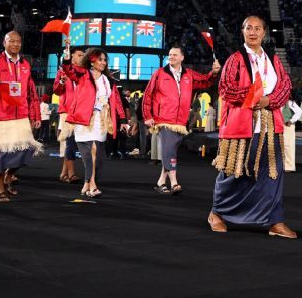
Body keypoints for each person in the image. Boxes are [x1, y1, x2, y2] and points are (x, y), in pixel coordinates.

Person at [208, 16, 296, 239]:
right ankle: (217, 213)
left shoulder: (273, 60)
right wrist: (252, 97)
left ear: (264, 33)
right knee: (233, 172)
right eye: (249, 28)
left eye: (257, 28)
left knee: (272, 175)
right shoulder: (235, 59)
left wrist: (270, 100)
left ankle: (274, 220)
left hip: (270, 125)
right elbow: (226, 88)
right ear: (243, 31)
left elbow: (286, 86)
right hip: (242, 124)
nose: (253, 32)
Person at [0, 31, 42, 203]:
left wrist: (36, 115)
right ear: (4, 42)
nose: (15, 44)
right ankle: (0, 189)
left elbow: (31, 92)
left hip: (21, 114)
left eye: (18, 41)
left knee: (26, 150)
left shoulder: (25, 64)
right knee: (0, 154)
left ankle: (9, 176)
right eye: (11, 41)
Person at [142, 44, 219, 193]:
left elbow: (205, 81)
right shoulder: (159, 74)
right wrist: (147, 116)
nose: (171, 57)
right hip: (163, 119)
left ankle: (160, 181)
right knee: (169, 150)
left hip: (181, 121)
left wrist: (213, 73)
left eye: (174, 55)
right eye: (170, 54)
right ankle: (174, 182)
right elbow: (148, 95)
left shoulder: (189, 74)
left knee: (169, 150)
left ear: (182, 57)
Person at [64, 49, 128, 198]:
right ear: (92, 60)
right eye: (100, 59)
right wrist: (67, 58)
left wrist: (123, 120)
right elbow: (69, 70)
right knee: (89, 152)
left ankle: (88, 182)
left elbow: (117, 102)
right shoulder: (82, 74)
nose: (103, 62)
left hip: (102, 119)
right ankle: (92, 185)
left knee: (98, 156)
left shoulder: (109, 80)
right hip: (84, 118)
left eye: (105, 60)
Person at [52, 47, 86, 184]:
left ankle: (64, 173)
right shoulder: (62, 71)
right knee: (66, 142)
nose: (82, 57)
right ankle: (67, 173)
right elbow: (56, 91)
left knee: (72, 142)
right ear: (71, 56)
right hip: (67, 110)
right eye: (79, 55)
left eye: (83, 55)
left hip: (80, 110)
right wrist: (61, 81)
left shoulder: (83, 72)